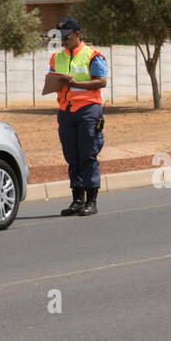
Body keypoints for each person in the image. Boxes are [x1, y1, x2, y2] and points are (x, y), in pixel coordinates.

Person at [49, 16, 107, 216]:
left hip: (88, 110)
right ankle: (77, 199)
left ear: (77, 34)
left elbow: (101, 82)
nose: (63, 41)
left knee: (88, 155)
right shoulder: (57, 57)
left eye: (66, 37)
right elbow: (53, 79)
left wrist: (75, 84)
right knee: (72, 156)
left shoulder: (93, 56)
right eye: (60, 37)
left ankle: (92, 200)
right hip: (66, 111)